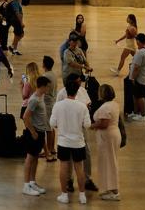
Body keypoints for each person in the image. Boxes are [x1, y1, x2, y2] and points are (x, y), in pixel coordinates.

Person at [50, 76, 92, 204]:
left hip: (63, 142)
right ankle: (82, 195)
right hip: (78, 142)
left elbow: (52, 123)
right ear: (77, 90)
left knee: (63, 167)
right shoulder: (82, 107)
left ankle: (64, 195)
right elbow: (87, 125)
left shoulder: (58, 105)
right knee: (79, 168)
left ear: (66, 90)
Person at [89, 83, 121, 201]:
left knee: (110, 162)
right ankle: (110, 188)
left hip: (108, 137)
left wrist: (91, 125)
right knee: (109, 161)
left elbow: (104, 124)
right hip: (113, 135)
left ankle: (114, 191)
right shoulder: (114, 104)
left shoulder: (105, 107)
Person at [21, 76, 51, 196]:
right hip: (34, 133)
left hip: (40, 132)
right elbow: (25, 117)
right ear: (43, 86)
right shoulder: (34, 100)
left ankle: (32, 182)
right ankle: (26, 185)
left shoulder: (40, 97)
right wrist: (33, 132)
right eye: (47, 86)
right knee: (29, 158)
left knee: (35, 157)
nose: (48, 88)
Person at [127, 32, 145, 121]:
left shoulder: (140, 53)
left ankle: (142, 115)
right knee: (136, 95)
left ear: (138, 41)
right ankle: (136, 112)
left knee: (140, 96)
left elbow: (136, 68)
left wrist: (133, 78)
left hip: (139, 79)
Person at [42, 55, 59, 161]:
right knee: (51, 127)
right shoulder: (53, 74)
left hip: (47, 104)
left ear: (44, 64)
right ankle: (52, 148)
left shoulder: (46, 76)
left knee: (48, 128)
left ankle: (48, 149)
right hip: (53, 102)